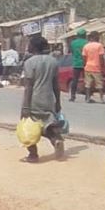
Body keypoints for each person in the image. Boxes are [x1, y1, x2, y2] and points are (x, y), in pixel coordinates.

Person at [21, 35, 64, 163]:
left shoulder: (29, 62)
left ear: (33, 47)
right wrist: (58, 102)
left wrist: (25, 106)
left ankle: (33, 155)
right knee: (48, 125)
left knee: (28, 127)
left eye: (29, 44)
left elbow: (29, 87)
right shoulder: (53, 62)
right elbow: (56, 85)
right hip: (49, 99)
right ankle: (56, 140)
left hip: (34, 99)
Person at [82, 32, 105, 104]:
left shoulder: (86, 46)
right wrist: (102, 66)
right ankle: (101, 99)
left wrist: (85, 65)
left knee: (88, 84)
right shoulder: (99, 46)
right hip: (96, 67)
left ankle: (87, 98)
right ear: (96, 37)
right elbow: (101, 57)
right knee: (99, 84)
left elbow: (84, 57)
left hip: (88, 67)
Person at [68, 28, 89, 102]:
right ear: (84, 35)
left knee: (75, 80)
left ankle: (72, 96)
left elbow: (72, 52)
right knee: (86, 80)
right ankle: (87, 97)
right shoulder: (87, 42)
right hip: (85, 63)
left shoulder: (73, 43)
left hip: (76, 63)